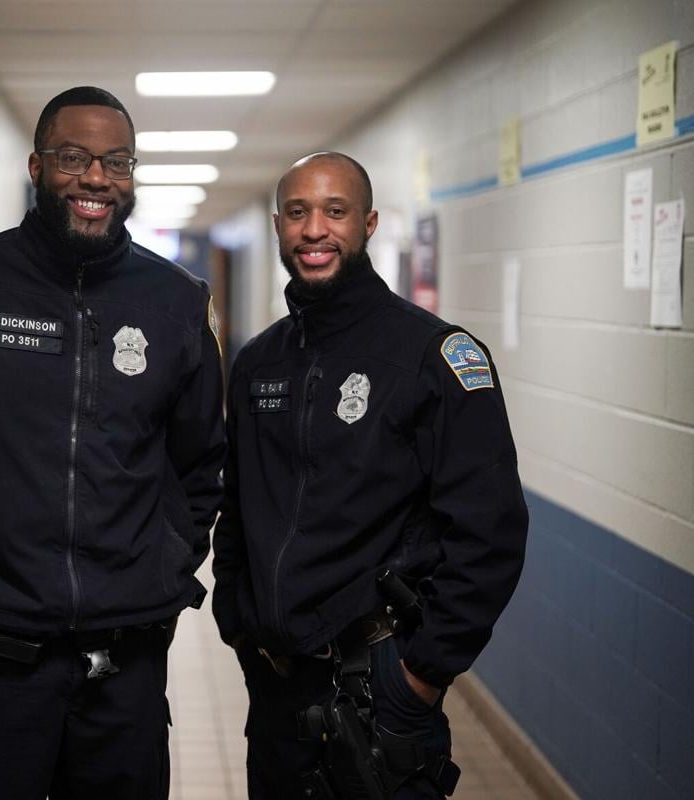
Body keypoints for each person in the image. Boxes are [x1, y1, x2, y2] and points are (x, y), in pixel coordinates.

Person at [0, 86, 225, 800]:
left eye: (117, 162)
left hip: (124, 671)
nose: (97, 178)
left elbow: (201, 464)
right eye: (73, 158)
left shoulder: (176, 302)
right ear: (36, 166)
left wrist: (161, 567)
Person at [212, 152, 528, 799]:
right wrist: (236, 616)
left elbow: (490, 532)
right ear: (278, 225)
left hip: (377, 694)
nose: (314, 229)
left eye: (336, 211)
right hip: (276, 694)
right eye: (297, 212)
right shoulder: (258, 363)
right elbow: (238, 503)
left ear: (369, 223)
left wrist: (421, 673)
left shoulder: (432, 358)